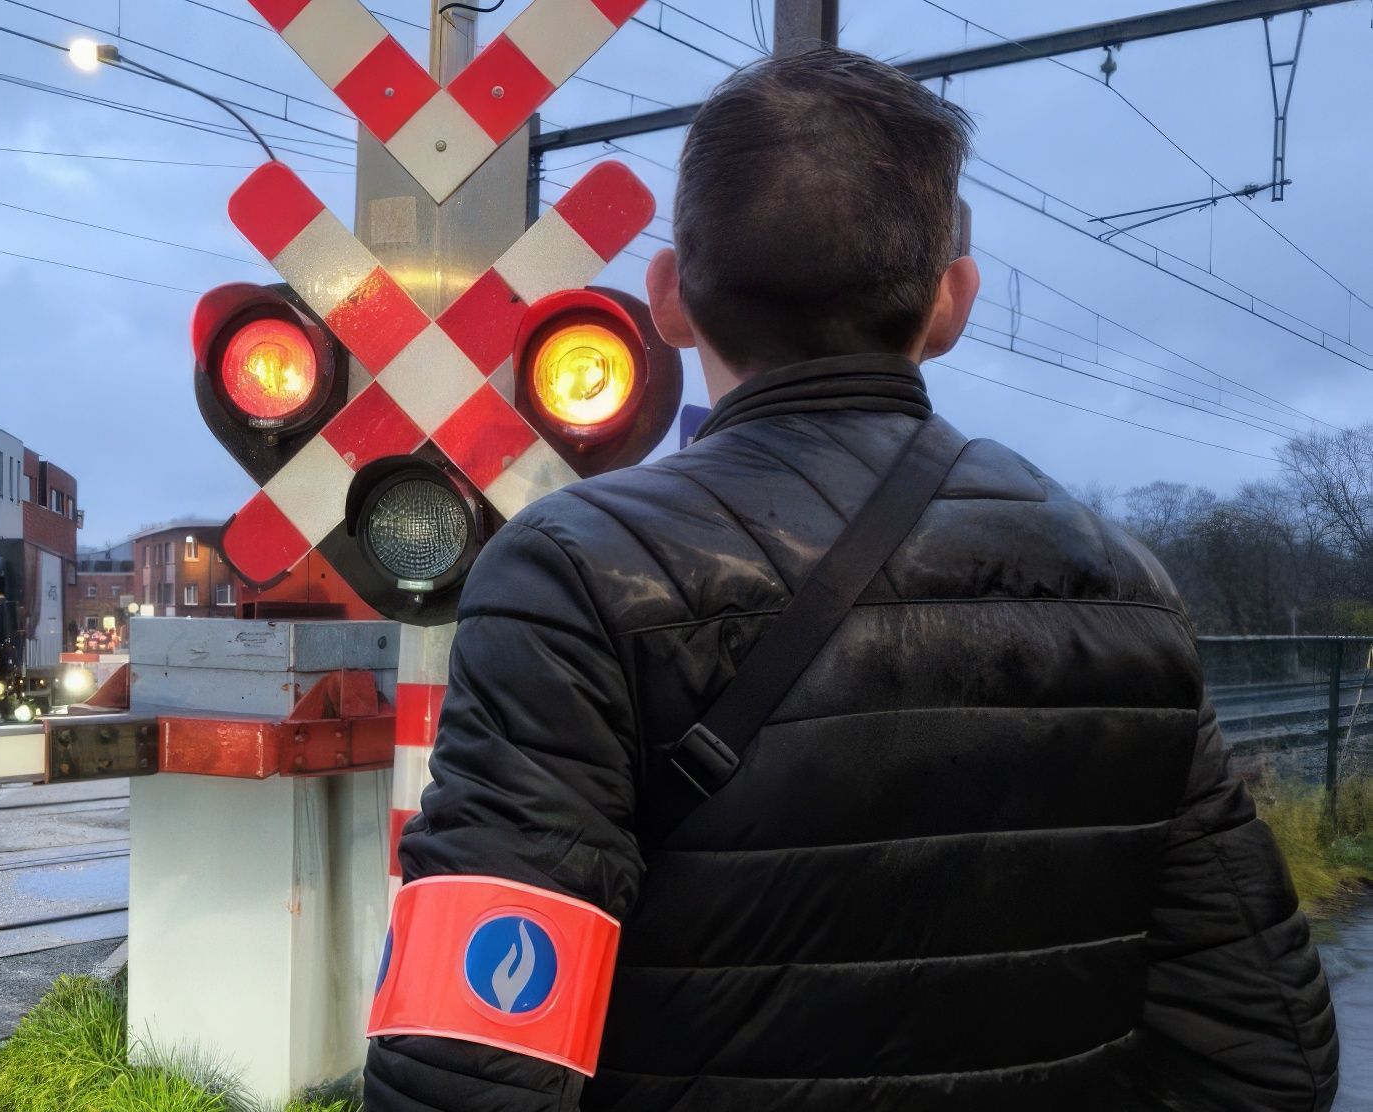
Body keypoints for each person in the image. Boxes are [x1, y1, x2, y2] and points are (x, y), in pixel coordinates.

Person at [363, 47, 1337, 1111]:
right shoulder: (1127, 586)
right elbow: (1268, 1051)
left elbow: (469, 1069)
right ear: (949, 304)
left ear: (668, 296)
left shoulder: (571, 576)